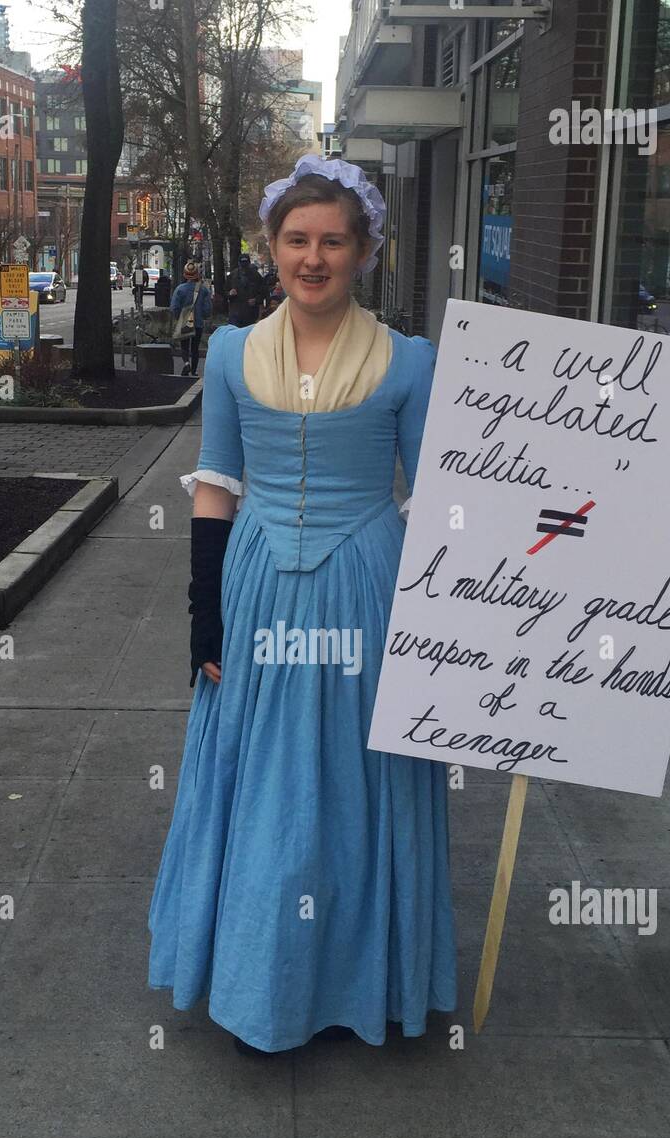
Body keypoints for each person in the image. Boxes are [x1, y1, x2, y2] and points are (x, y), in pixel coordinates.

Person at [148, 154, 456, 1055]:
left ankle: (352, 975)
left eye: (332, 241)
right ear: (271, 248)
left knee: (357, 780)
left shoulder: (410, 362)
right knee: (268, 783)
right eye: (296, 240)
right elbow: (215, 485)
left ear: (365, 253)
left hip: (367, 584)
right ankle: (263, 980)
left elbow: (439, 493)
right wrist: (203, 609)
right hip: (253, 587)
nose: (312, 258)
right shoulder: (230, 352)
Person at [169, 261, 211, 376]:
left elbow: (174, 307)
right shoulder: (203, 290)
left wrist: (179, 318)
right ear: (197, 274)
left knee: (184, 345)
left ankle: (186, 363)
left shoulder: (180, 289)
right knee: (195, 347)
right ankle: (194, 370)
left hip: (184, 321)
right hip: (198, 323)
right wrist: (204, 316)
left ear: (185, 274)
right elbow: (207, 309)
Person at [225, 252, 267, 327]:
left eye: (245, 264)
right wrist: (230, 293)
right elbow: (224, 292)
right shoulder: (232, 276)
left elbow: (264, 292)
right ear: (239, 263)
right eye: (242, 264)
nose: (244, 267)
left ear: (249, 263)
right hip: (235, 313)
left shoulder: (256, 276)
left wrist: (256, 300)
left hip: (251, 313)